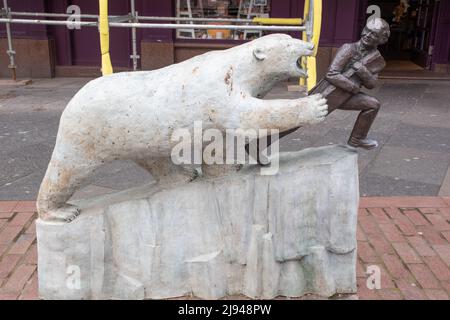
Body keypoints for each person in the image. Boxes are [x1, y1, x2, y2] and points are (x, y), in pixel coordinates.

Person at [326, 17, 391, 150]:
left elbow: (371, 84)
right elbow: (331, 74)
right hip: (331, 94)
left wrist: (363, 71)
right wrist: (353, 88)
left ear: (382, 39)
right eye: (367, 30)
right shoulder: (349, 49)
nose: (367, 35)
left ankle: (356, 140)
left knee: (373, 105)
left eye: (374, 34)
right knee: (297, 122)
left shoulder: (377, 58)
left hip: (347, 95)